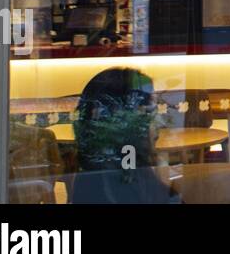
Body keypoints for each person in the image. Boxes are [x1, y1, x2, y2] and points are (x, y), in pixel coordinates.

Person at [68, 68, 180, 204]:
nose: (160, 123)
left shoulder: (122, 170)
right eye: (148, 112)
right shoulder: (115, 182)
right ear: (120, 120)